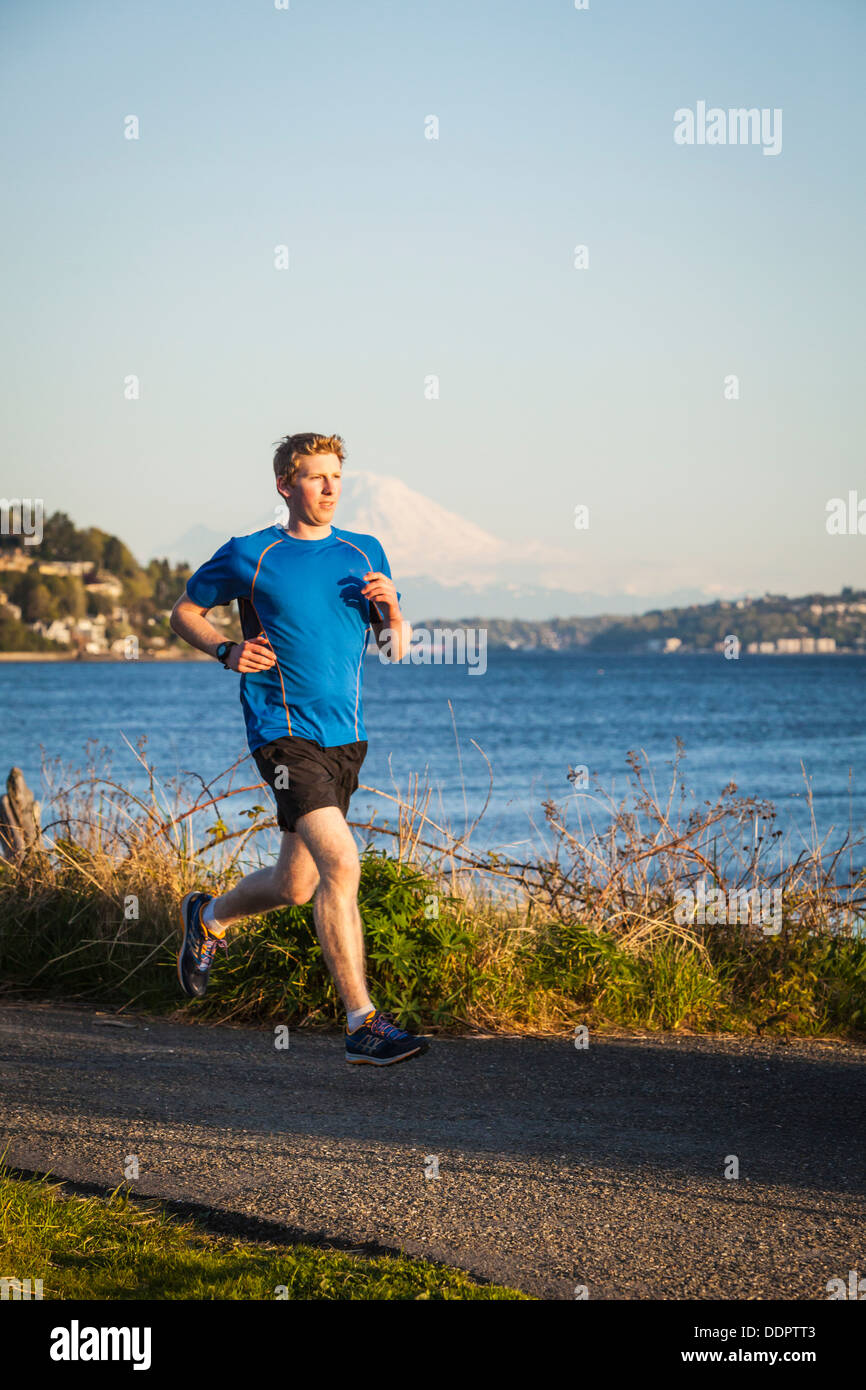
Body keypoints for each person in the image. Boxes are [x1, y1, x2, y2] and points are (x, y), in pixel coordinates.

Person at [168, 432, 429, 1067]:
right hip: (282, 735)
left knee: (294, 883)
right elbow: (183, 611)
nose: (331, 488)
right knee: (343, 865)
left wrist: (394, 612)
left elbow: (395, 651)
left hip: (345, 739)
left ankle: (209, 918)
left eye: (338, 476)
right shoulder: (250, 553)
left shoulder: (362, 551)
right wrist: (226, 649)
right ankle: (362, 1024)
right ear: (287, 485)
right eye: (317, 478)